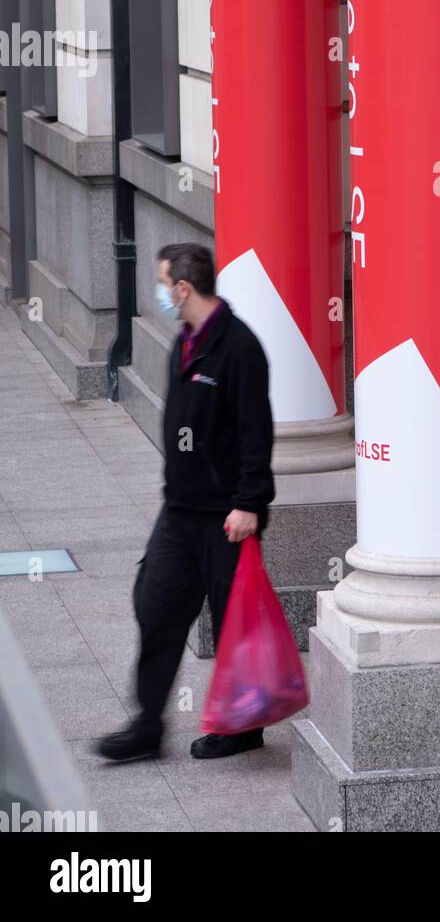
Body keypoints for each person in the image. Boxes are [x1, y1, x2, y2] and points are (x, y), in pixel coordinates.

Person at [95, 242, 275, 763]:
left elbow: (255, 433)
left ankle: (243, 726)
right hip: (180, 510)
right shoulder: (185, 342)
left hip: (226, 516)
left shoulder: (239, 347)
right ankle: (147, 724)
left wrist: (248, 502)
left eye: (162, 283)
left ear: (182, 287)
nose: (160, 293)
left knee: (232, 622)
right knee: (155, 605)